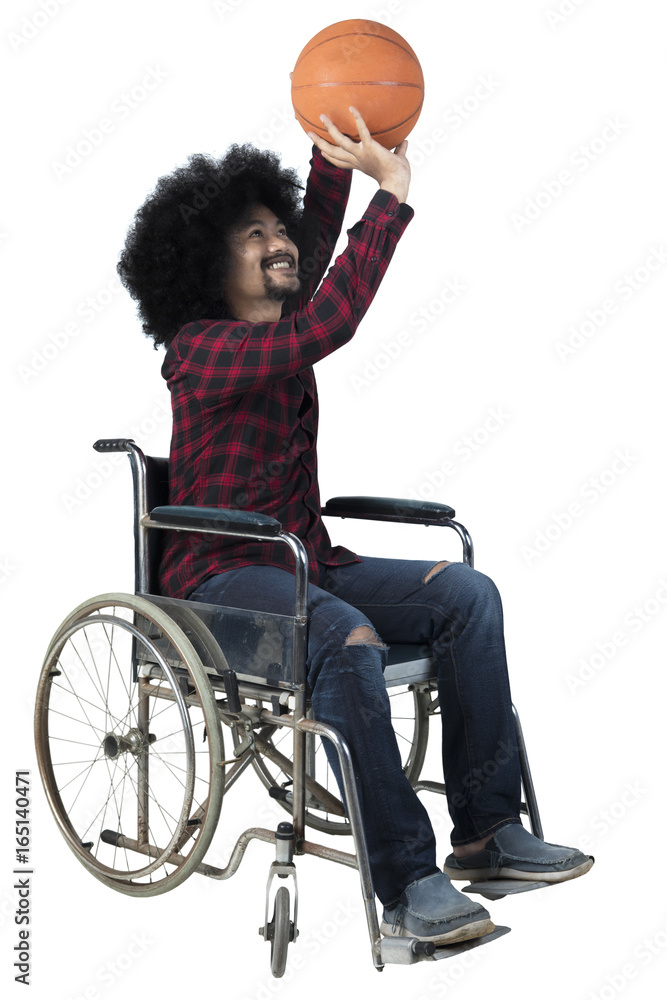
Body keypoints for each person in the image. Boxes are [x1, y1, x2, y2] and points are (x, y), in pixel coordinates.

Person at [117, 107, 593, 946]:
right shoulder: (201, 348)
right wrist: (393, 200)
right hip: (220, 587)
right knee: (344, 637)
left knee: (467, 594)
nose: (279, 244)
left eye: (280, 229)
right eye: (252, 235)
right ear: (203, 266)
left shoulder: (276, 334)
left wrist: (335, 151)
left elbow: (312, 250)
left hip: (308, 565)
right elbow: (326, 322)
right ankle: (408, 884)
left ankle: (486, 832)